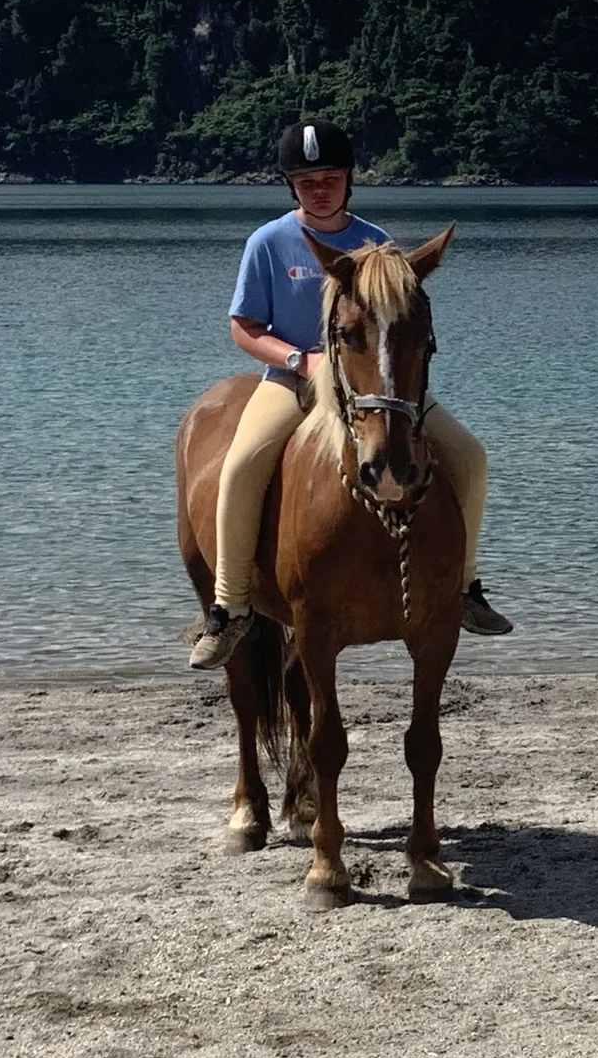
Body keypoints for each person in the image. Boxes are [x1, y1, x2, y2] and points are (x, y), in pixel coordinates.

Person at [188, 119, 512, 669]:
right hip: (295, 382)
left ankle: (463, 587)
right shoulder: (267, 243)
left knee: (471, 456)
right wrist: (299, 359)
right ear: (291, 185)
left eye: (330, 177)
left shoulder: (375, 243)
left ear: (348, 180)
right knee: (241, 464)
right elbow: (243, 327)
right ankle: (230, 607)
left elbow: (395, 324)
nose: (320, 188)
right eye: (307, 179)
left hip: (373, 389)